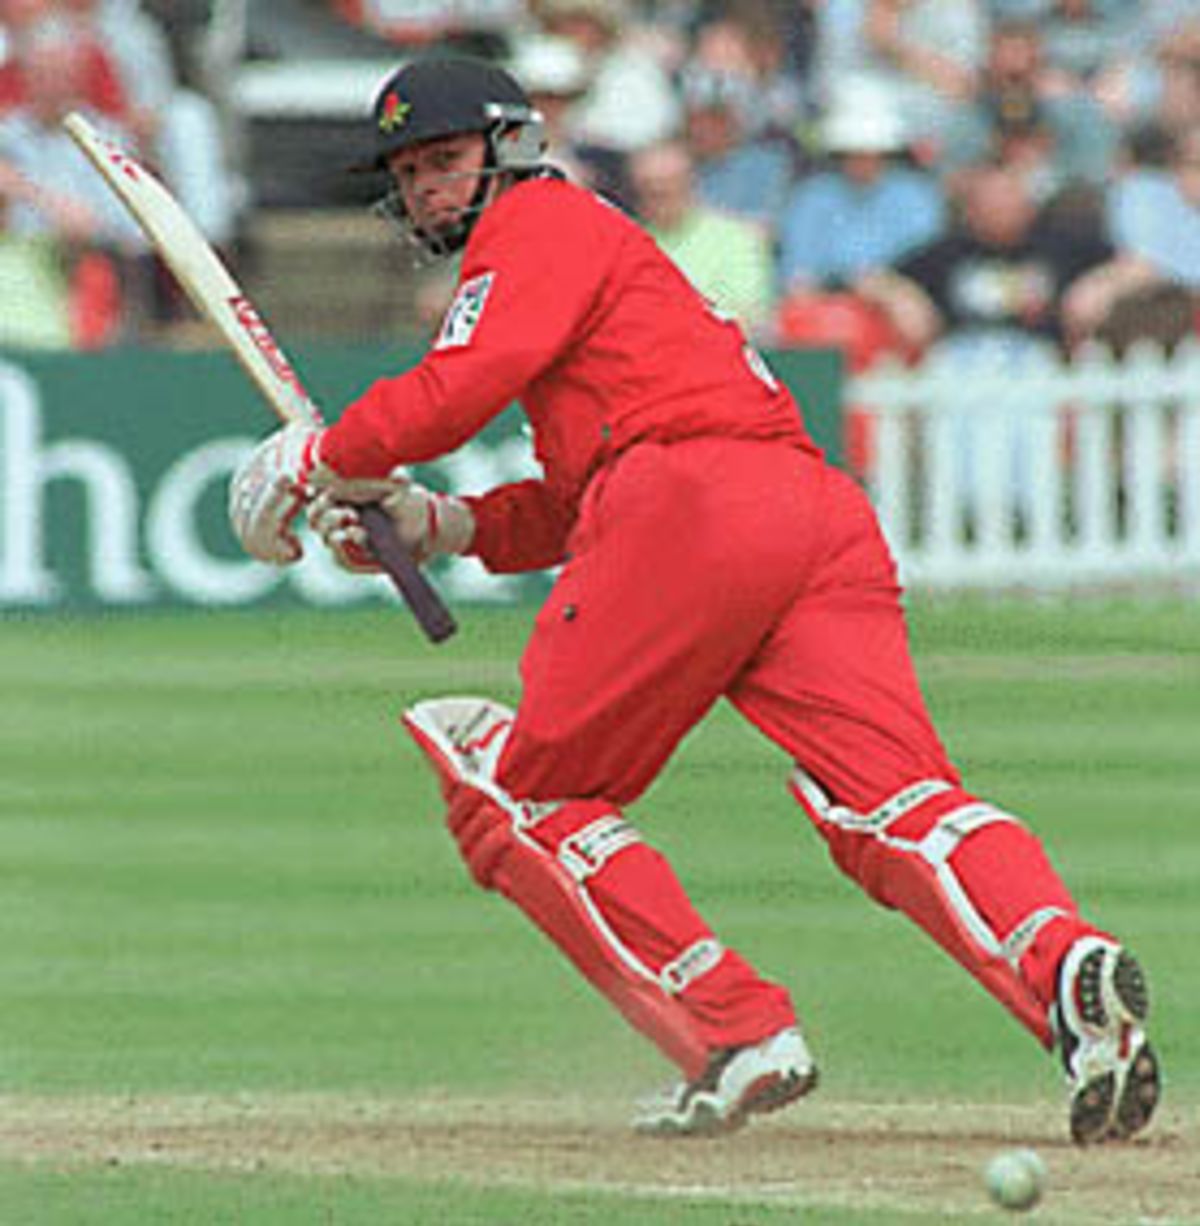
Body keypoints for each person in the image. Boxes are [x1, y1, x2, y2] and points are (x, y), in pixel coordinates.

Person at [226, 55, 1161, 1145]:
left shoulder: (536, 224)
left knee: (520, 790)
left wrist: (315, 458)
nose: (430, 188)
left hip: (692, 503)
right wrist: (444, 522)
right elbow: (579, 498)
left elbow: (467, 385)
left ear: (512, 146)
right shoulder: (598, 255)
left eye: (445, 160)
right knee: (890, 799)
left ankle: (736, 1028)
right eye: (411, 172)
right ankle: (1066, 972)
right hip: (802, 510)